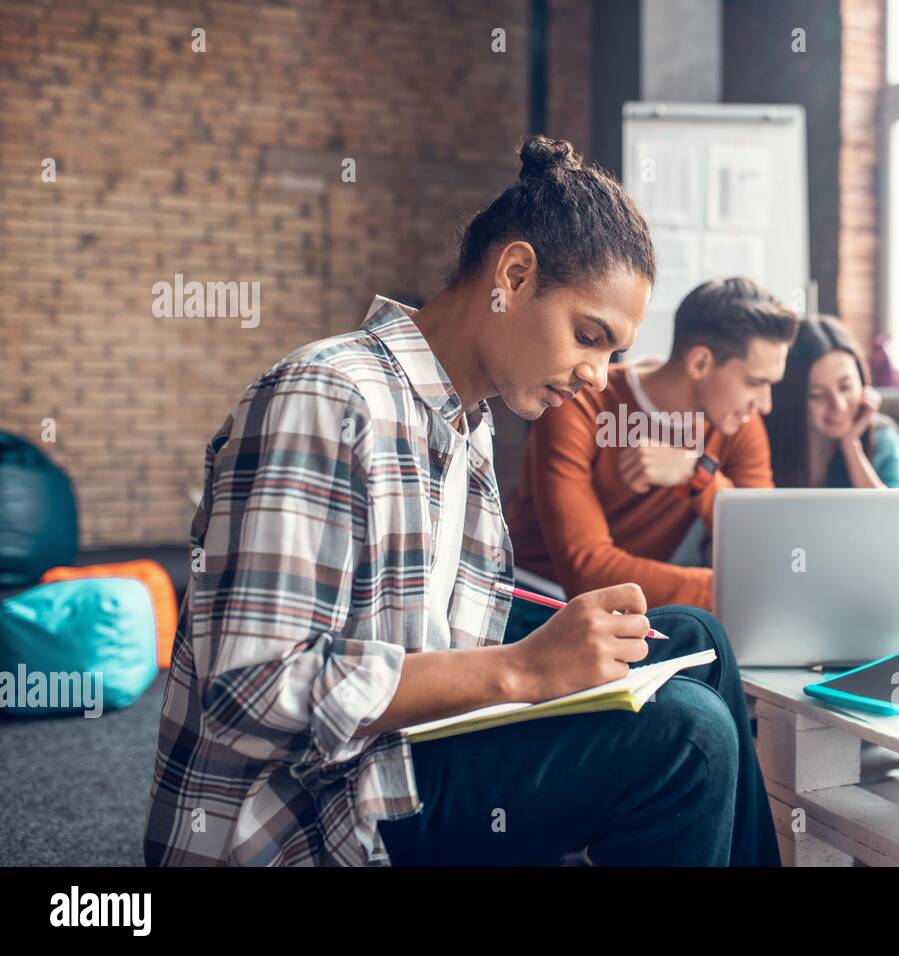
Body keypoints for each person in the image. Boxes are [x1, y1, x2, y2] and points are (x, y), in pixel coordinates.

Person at [143, 136, 780, 867]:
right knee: (688, 737)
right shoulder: (328, 395)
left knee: (694, 643)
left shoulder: (465, 424)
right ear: (513, 274)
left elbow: (437, 635)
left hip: (408, 744)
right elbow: (250, 691)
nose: (600, 377)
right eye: (589, 336)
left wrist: (542, 660)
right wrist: (523, 671)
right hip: (322, 805)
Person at [506, 277, 799, 615]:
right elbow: (585, 571)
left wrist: (697, 474)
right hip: (538, 600)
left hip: (634, 607)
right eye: (755, 383)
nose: (765, 405)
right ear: (700, 363)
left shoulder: (739, 422)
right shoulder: (580, 403)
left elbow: (764, 550)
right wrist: (736, 590)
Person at [765, 314, 899, 489]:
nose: (838, 406)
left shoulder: (882, 438)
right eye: (817, 395)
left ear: (861, 381)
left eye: (846, 387)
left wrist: (851, 447)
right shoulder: (768, 437)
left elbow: (892, 513)